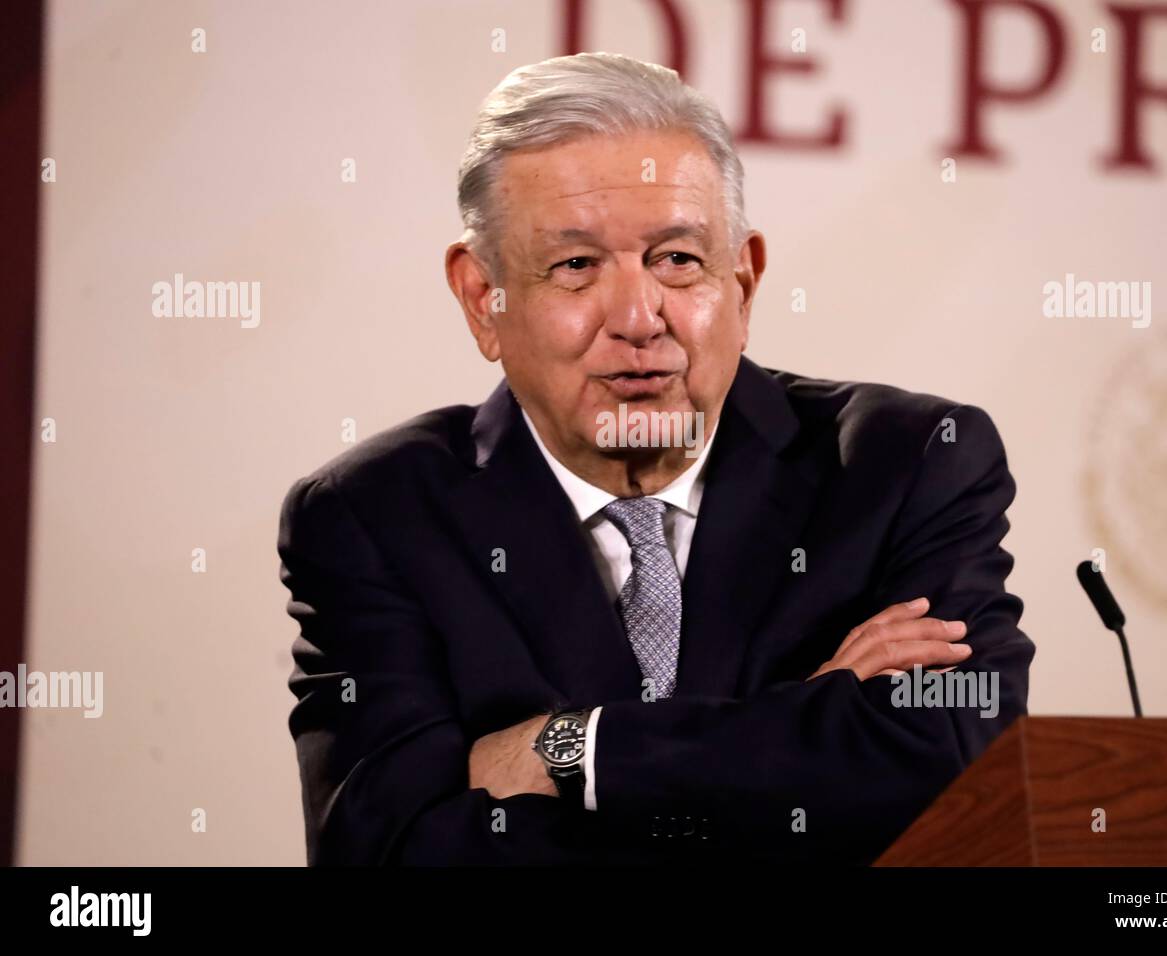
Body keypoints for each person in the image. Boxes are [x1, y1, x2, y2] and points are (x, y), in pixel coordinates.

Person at [278, 51, 1034, 865]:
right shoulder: (375, 517)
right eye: (575, 266)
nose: (640, 318)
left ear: (742, 285)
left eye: (678, 259)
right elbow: (392, 853)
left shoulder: (906, 465)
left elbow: (955, 767)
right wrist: (804, 731)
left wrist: (572, 752)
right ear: (482, 298)